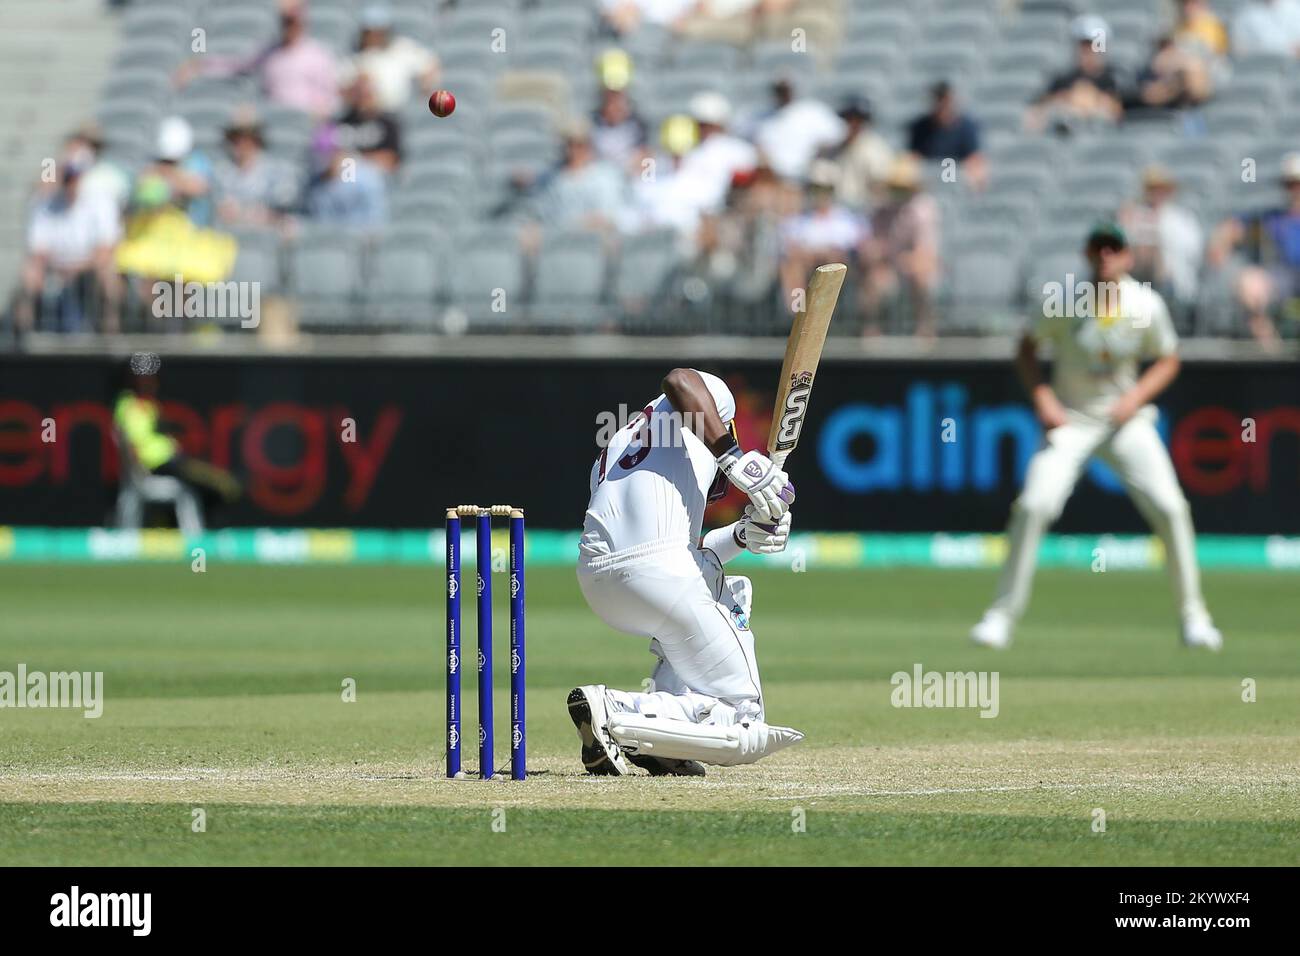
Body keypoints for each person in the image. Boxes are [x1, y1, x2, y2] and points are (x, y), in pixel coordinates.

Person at [970, 223, 1223, 652]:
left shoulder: (1145, 303)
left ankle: (1194, 617)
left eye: (1114, 249)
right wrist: (1043, 398)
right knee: (1034, 506)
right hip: (1071, 421)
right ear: (1087, 255)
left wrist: (1137, 396)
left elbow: (1168, 358)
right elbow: (1027, 349)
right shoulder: (1062, 299)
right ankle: (1000, 617)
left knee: (1171, 507)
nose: (1106, 256)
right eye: (1098, 249)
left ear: (1127, 257)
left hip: (1125, 422)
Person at [572, 368, 802, 774]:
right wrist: (734, 457)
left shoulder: (623, 444)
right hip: (657, 578)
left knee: (724, 585)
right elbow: (680, 381)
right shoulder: (710, 399)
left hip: (602, 585)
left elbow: (677, 551)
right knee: (743, 721)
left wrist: (742, 535)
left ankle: (661, 742)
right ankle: (624, 711)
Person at [114, 360, 241, 518]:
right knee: (221, 485)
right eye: (146, 377)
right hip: (157, 465)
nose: (152, 382)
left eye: (153, 377)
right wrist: (140, 473)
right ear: (135, 380)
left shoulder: (149, 405)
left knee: (205, 486)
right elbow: (131, 444)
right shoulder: (130, 406)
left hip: (171, 460)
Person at [16, 148, 123, 334]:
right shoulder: (45, 203)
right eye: (68, 176)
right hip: (57, 268)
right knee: (29, 273)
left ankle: (110, 334)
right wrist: (59, 269)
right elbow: (38, 251)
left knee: (108, 275)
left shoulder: (101, 201)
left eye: (76, 176)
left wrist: (74, 269)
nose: (72, 182)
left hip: (87, 269)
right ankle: (22, 339)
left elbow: (105, 251)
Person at [176, 0, 338, 120]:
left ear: (302, 22)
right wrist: (199, 65)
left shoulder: (319, 56)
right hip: (271, 123)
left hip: (302, 127)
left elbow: (330, 99)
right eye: (285, 21)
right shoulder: (269, 52)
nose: (289, 26)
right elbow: (235, 65)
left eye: (292, 21)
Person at [1206, 152, 1300, 343]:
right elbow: (1230, 229)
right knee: (1250, 284)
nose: (1295, 190)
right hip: (1284, 275)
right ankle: (1273, 356)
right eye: (1290, 184)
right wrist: (1220, 244)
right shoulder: (1273, 218)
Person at [861, 154, 940, 337]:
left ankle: (925, 329)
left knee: (921, 273)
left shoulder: (924, 210)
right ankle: (871, 330)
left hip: (917, 265)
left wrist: (900, 259)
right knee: (874, 277)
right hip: (890, 265)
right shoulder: (881, 210)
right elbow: (874, 246)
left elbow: (924, 253)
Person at [1118, 165, 1204, 314]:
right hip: (1138, 276)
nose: (1156, 194)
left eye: (1160, 189)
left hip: (1172, 281)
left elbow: (1192, 251)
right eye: (1152, 189)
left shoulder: (1181, 218)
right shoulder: (1135, 216)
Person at [1026, 15, 1124, 134]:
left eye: (1094, 45)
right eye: (1084, 46)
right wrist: (1067, 97)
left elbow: (1123, 107)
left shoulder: (1115, 77)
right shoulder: (1063, 79)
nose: (1088, 51)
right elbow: (1039, 105)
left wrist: (1095, 98)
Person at [338, 4, 439, 114]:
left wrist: (423, 90)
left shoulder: (402, 48)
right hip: (370, 116)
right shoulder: (355, 58)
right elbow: (343, 89)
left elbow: (429, 65)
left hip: (400, 114)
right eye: (369, 32)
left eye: (378, 31)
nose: (373, 36)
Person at [213, 108, 301, 227]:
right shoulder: (221, 172)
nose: (241, 144)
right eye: (235, 138)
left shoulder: (277, 171)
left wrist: (262, 215)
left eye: (246, 137)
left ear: (257, 139)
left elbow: (284, 208)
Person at [906, 81, 986, 190]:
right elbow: (913, 158)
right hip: (928, 183)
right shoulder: (920, 127)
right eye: (939, 100)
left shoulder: (966, 127)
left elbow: (974, 159)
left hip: (959, 183)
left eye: (945, 100)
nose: (942, 105)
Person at [823, 94, 893, 211]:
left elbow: (881, 189)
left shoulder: (877, 149)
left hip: (866, 212)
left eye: (859, 120)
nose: (853, 124)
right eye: (849, 119)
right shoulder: (833, 149)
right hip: (837, 212)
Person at [1231, 0, 1300, 57]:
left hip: (1294, 66)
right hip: (1259, 67)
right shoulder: (1244, 14)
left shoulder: (1296, 7)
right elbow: (1240, 51)